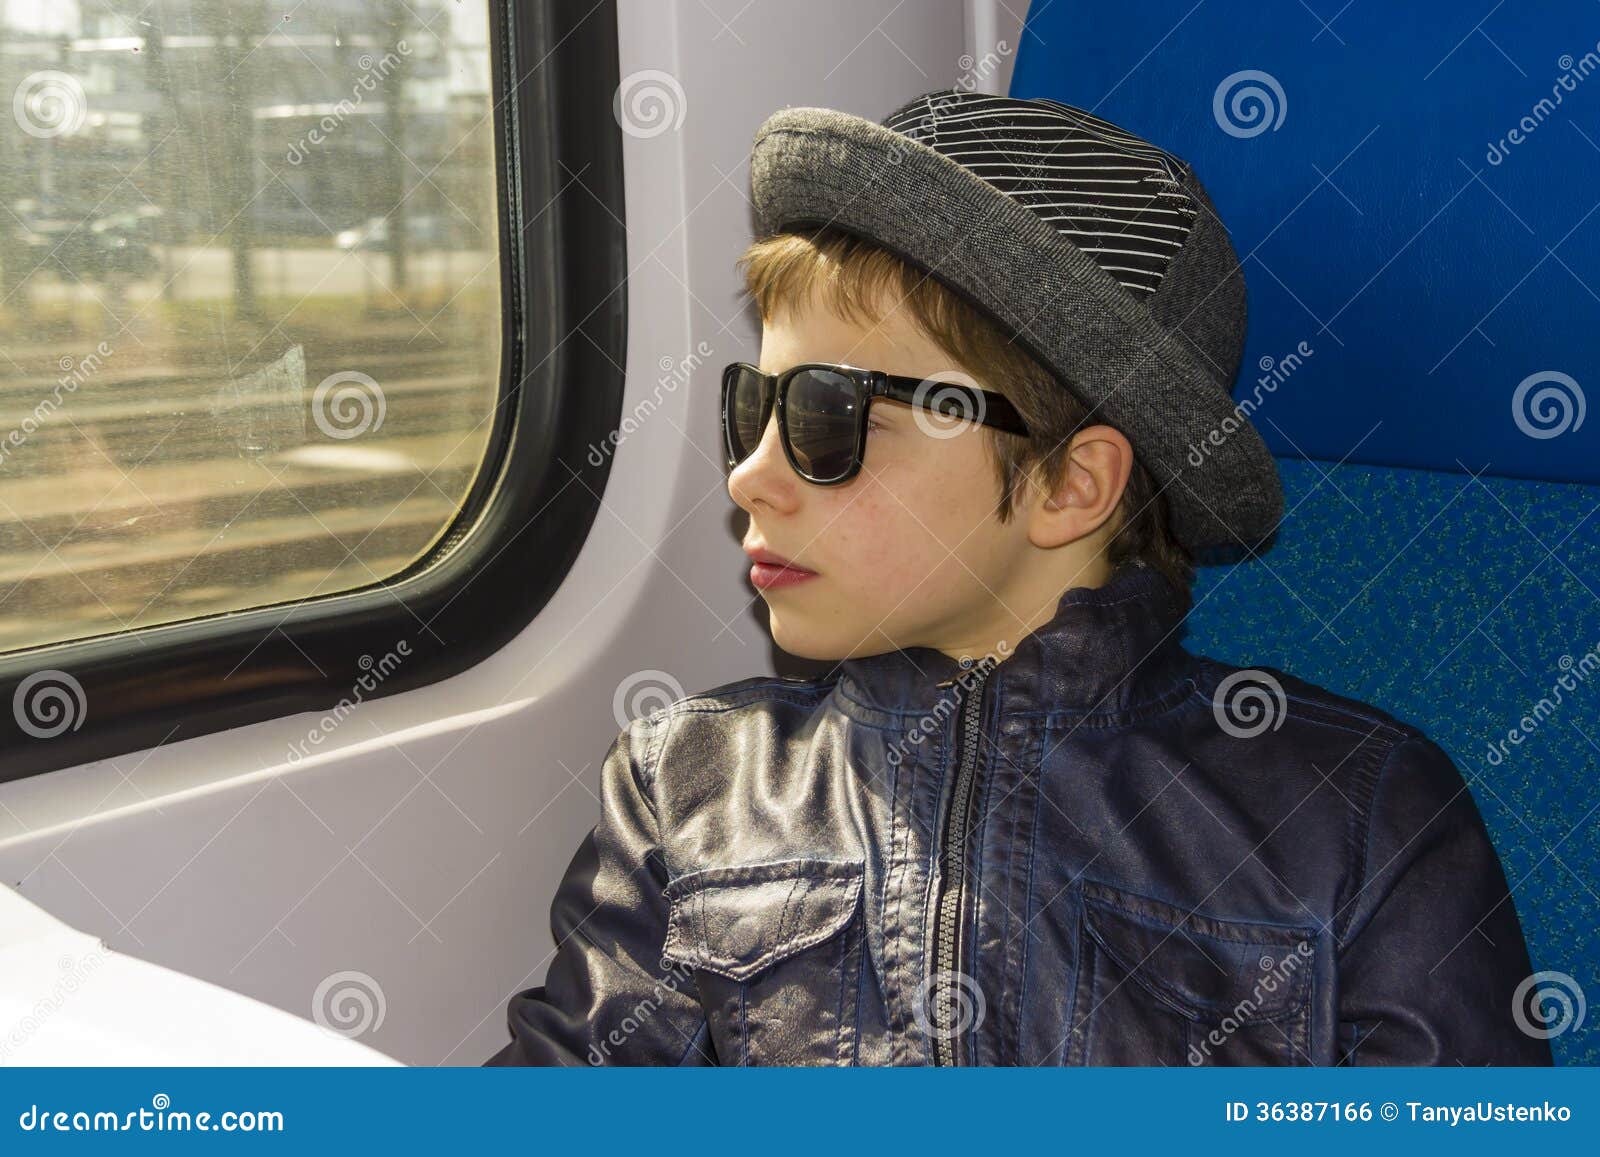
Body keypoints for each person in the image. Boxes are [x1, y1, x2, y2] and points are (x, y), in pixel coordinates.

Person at [484, 90, 1549, 1066]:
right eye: (751, 409)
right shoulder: (691, 784)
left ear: (1069, 484)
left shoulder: (1351, 814)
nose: (749, 473)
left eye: (823, 417)